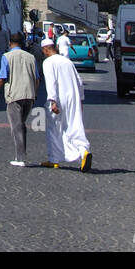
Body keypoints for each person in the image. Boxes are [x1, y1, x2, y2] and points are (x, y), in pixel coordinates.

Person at [0, 33, 38, 166]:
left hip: (14, 95)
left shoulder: (7, 57)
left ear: (10, 43)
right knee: (21, 124)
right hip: (29, 95)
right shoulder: (31, 57)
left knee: (16, 126)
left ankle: (20, 158)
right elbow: (37, 78)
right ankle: (22, 155)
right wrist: (34, 92)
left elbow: (2, 77)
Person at [40, 37, 91, 171]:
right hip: (73, 98)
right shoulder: (67, 61)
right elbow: (79, 81)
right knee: (74, 125)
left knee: (54, 128)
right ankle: (83, 151)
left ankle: (54, 159)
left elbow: (51, 82)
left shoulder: (48, 62)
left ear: (45, 49)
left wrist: (52, 101)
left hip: (58, 98)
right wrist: (80, 99)